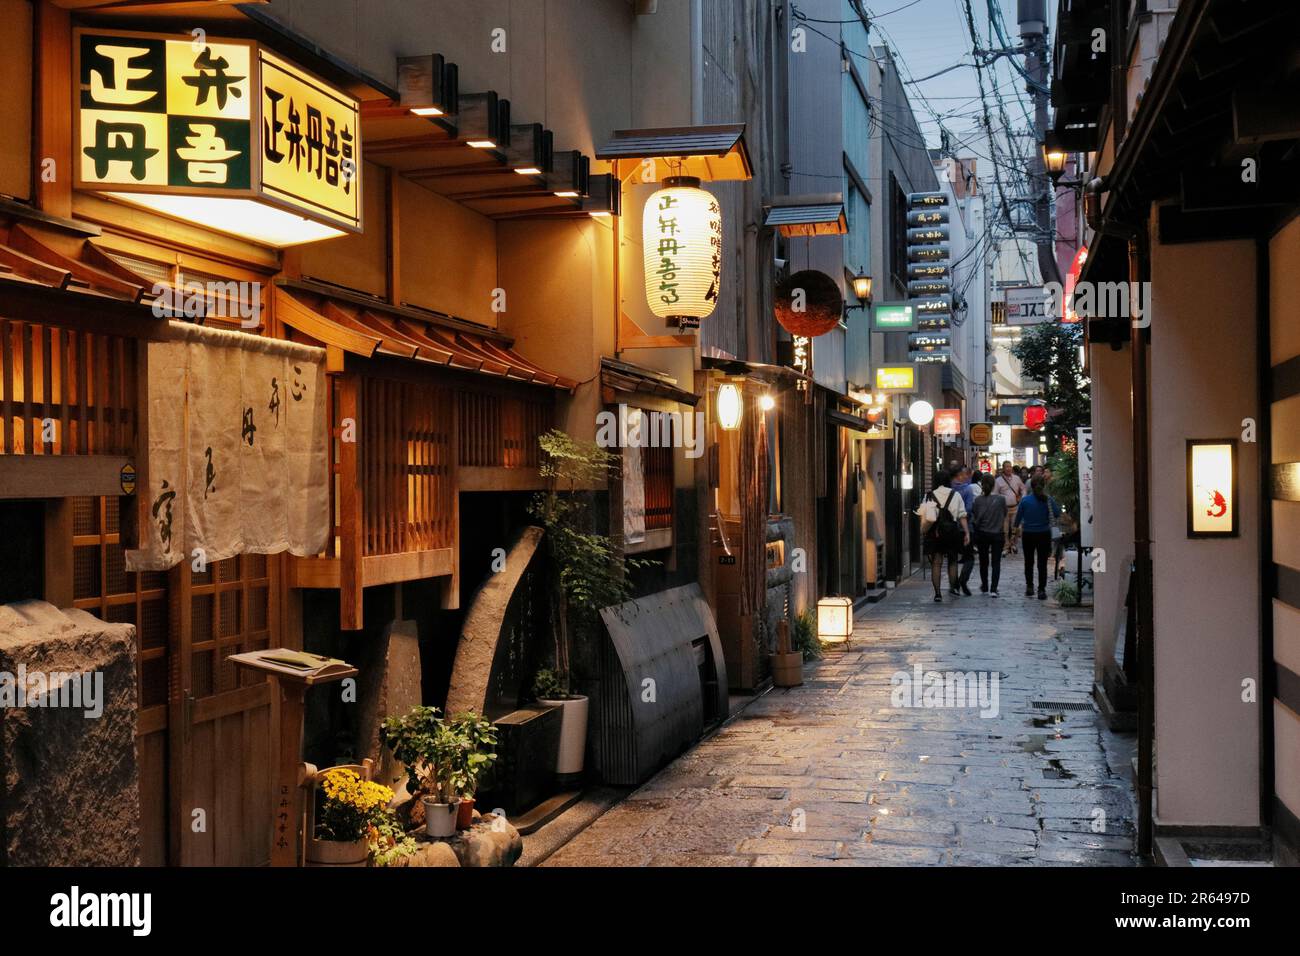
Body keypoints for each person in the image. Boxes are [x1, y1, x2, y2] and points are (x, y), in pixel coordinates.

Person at [920, 470, 970, 603]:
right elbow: (962, 515)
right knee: (952, 561)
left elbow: (924, 515)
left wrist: (923, 530)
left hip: (935, 532)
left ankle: (937, 594)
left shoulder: (929, 495)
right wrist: (967, 532)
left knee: (936, 563)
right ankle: (953, 588)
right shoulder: (956, 495)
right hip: (952, 532)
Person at [1014, 476, 1062, 599]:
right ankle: (1041, 589)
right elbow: (1057, 513)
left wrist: (1015, 530)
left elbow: (1018, 518)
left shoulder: (1025, 501)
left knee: (1029, 562)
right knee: (1042, 563)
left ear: (1031, 486)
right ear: (1043, 485)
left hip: (1028, 534)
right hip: (1043, 534)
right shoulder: (1048, 499)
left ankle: (1029, 587)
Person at [970, 472, 1007, 595]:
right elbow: (1005, 514)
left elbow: (974, 514)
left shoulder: (978, 500)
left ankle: (985, 585)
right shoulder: (1001, 499)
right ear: (993, 485)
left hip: (982, 534)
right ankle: (993, 588)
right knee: (996, 562)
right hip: (997, 533)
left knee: (983, 561)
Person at [950, 465, 979, 595]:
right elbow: (968, 509)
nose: (967, 477)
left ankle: (954, 585)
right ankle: (963, 580)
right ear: (960, 476)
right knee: (969, 557)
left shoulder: (949, 488)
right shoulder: (967, 489)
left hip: (951, 528)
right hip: (966, 527)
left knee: (953, 558)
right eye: (965, 474)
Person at [993, 461, 1026, 556]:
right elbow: (995, 494)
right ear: (1003, 468)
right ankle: (1006, 546)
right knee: (1005, 529)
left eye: (1010, 466)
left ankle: (1013, 544)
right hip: (1004, 509)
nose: (1008, 468)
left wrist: (1023, 497)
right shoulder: (998, 480)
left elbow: (1023, 489)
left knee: (1016, 528)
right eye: (1006, 467)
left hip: (1015, 507)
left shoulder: (1016, 478)